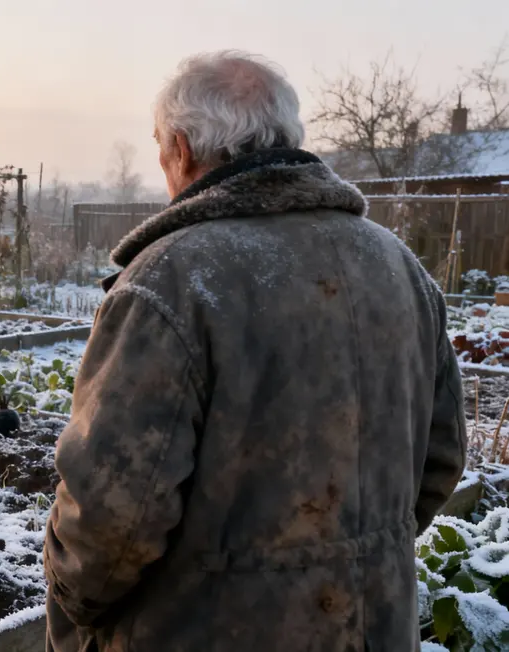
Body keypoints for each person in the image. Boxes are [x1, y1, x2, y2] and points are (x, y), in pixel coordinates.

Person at [43, 50, 466, 652]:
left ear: (182, 150)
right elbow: (443, 456)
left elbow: (112, 519)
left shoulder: (171, 280)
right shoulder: (397, 265)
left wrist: (70, 605)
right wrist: (347, 557)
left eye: (160, 144)